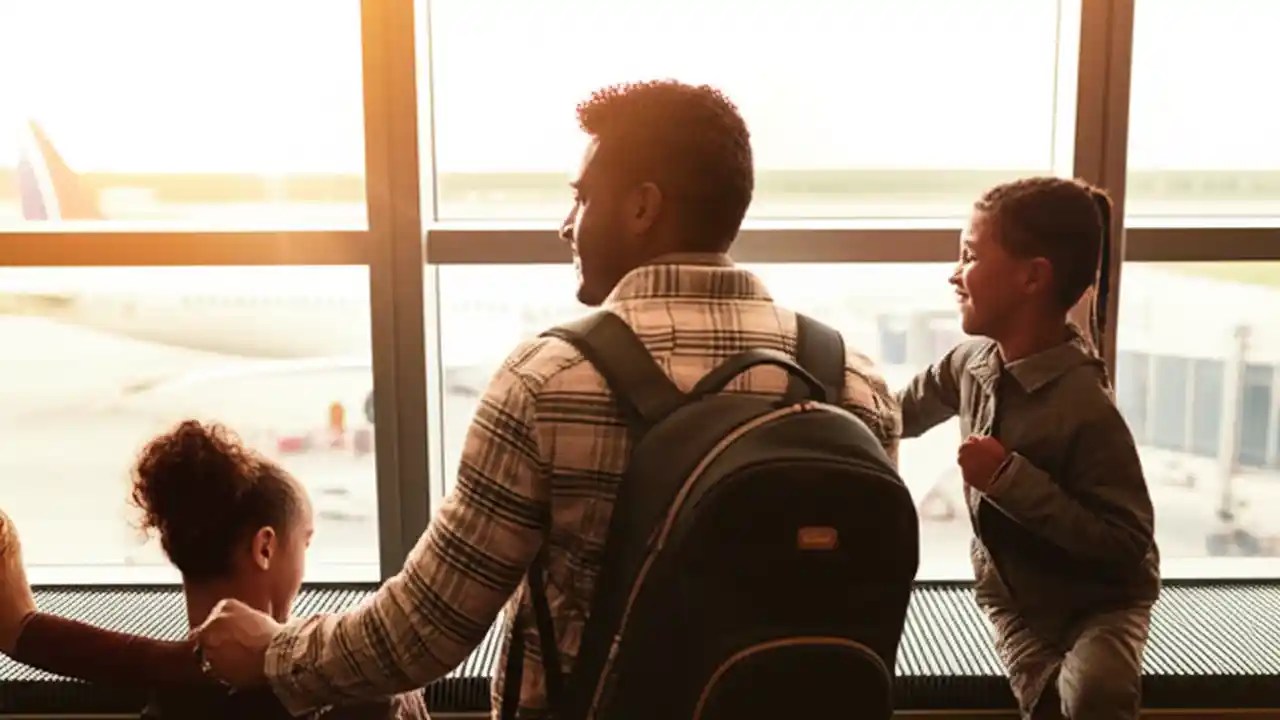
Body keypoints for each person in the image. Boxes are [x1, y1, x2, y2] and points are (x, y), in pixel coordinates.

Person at [189, 79, 903, 718]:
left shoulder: (553, 379)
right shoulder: (850, 383)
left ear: (642, 207)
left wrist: (275, 653)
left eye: (581, 197)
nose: (567, 225)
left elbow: (424, 630)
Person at [897, 177, 1160, 719]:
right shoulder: (967, 363)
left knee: (1097, 695)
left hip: (1100, 603)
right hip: (1013, 596)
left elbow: (1126, 543)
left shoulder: (1086, 405)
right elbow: (893, 412)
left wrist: (1007, 481)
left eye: (969, 255)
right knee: (1048, 702)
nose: (954, 273)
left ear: (1032, 277)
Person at [0, 421, 427, 720]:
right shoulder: (361, 699)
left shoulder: (170, 697)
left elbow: (22, 629)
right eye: (306, 541)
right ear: (265, 547)